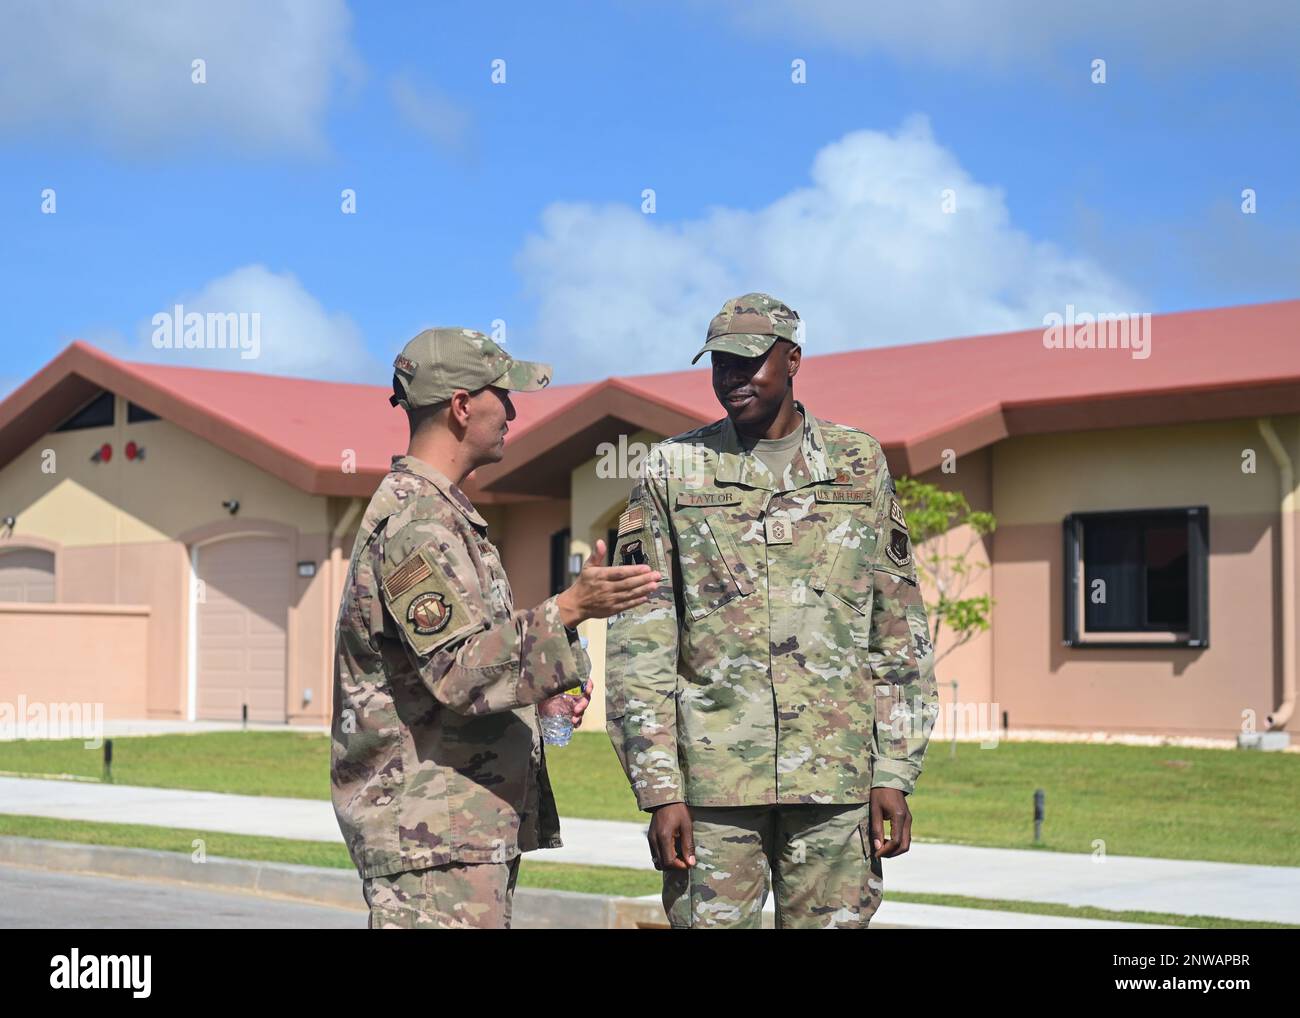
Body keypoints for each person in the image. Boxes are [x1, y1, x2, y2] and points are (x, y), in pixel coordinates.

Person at [605, 293, 938, 929]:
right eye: (720, 363)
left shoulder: (858, 464)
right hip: (714, 789)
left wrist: (895, 771)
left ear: (793, 360)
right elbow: (640, 643)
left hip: (837, 783)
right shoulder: (674, 470)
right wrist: (659, 789)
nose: (732, 377)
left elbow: (897, 631)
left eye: (749, 361)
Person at [332, 326, 659, 929]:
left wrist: (542, 696)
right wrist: (570, 608)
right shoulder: (418, 523)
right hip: (431, 837)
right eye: (503, 395)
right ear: (461, 406)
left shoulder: (442, 515)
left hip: (454, 829)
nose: (512, 411)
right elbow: (458, 672)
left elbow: (457, 661)